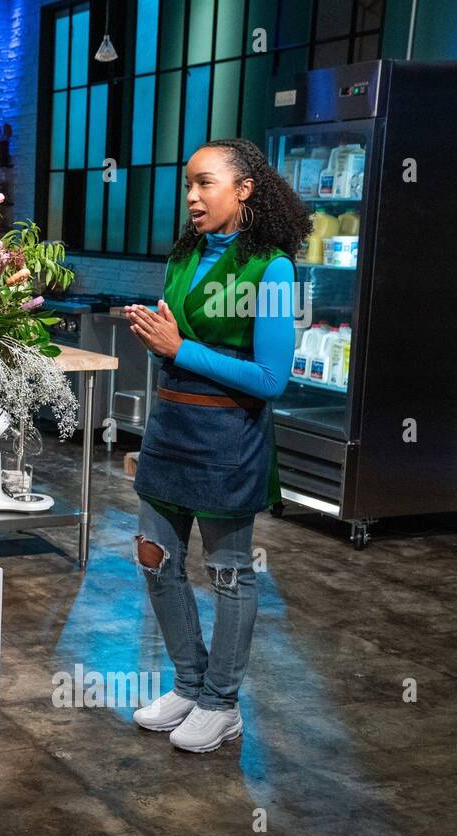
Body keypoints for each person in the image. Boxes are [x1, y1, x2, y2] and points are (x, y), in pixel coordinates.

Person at [123, 138, 308, 753]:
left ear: (244, 189)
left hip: (229, 440)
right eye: (188, 187)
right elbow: (175, 341)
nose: (192, 198)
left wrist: (180, 349)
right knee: (155, 558)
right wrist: (159, 341)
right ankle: (189, 681)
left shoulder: (274, 269)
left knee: (229, 574)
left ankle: (221, 702)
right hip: (169, 431)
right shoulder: (185, 255)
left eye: (204, 184)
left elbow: (271, 379)